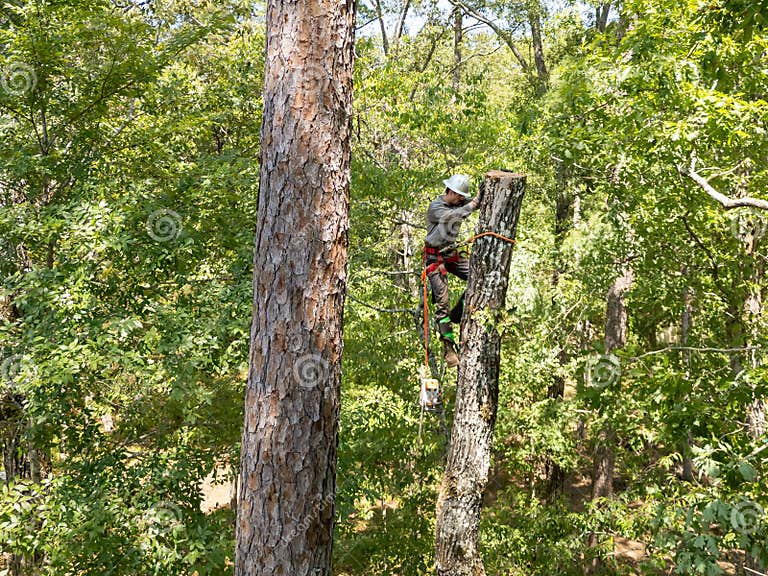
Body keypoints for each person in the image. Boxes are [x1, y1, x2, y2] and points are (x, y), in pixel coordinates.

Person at [423, 174, 481, 368]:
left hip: (451, 255)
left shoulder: (458, 203)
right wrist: (472, 204)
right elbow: (454, 216)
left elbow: (473, 203)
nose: (460, 200)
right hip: (435, 259)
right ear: (451, 192)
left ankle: (458, 313)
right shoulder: (436, 208)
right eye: (458, 196)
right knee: (442, 304)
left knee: (479, 278)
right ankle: (448, 349)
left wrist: (485, 189)